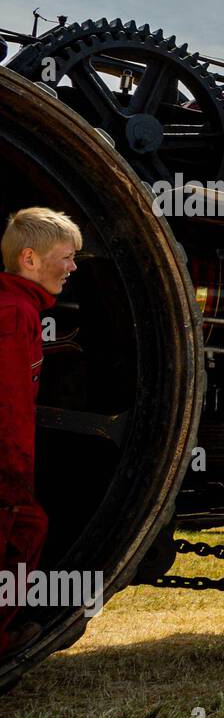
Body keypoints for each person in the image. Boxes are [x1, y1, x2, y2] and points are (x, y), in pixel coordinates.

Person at [0, 207, 80, 657]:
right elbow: (7, 406)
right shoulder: (15, 315)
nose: (72, 267)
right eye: (65, 257)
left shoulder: (16, 306)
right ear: (30, 259)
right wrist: (13, 480)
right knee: (25, 529)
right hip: (3, 470)